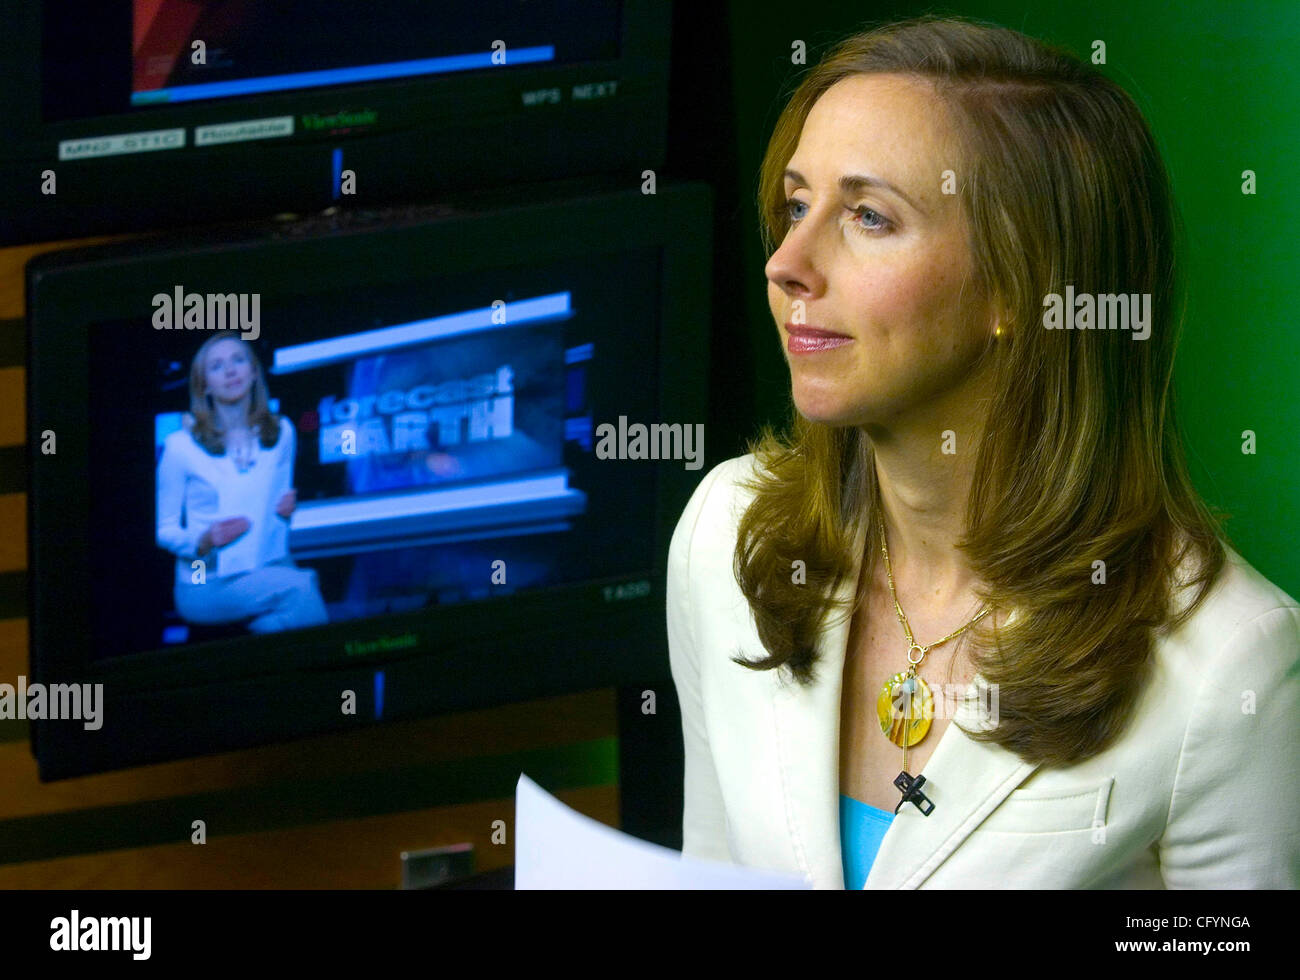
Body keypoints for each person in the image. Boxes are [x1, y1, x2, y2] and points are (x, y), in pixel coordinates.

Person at [667, 16, 1300, 889]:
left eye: (869, 217)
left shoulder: (1234, 660)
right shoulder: (722, 534)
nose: (786, 262)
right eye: (797, 205)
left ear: (1023, 285)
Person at [156, 332, 329, 633]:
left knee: (299, 600)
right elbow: (164, 530)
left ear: (253, 373)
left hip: (266, 565)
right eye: (217, 366)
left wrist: (286, 512)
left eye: (239, 360)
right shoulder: (180, 446)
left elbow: (276, 516)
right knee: (300, 589)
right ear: (204, 384)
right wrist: (205, 539)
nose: (231, 370)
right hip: (204, 579)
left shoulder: (282, 432)